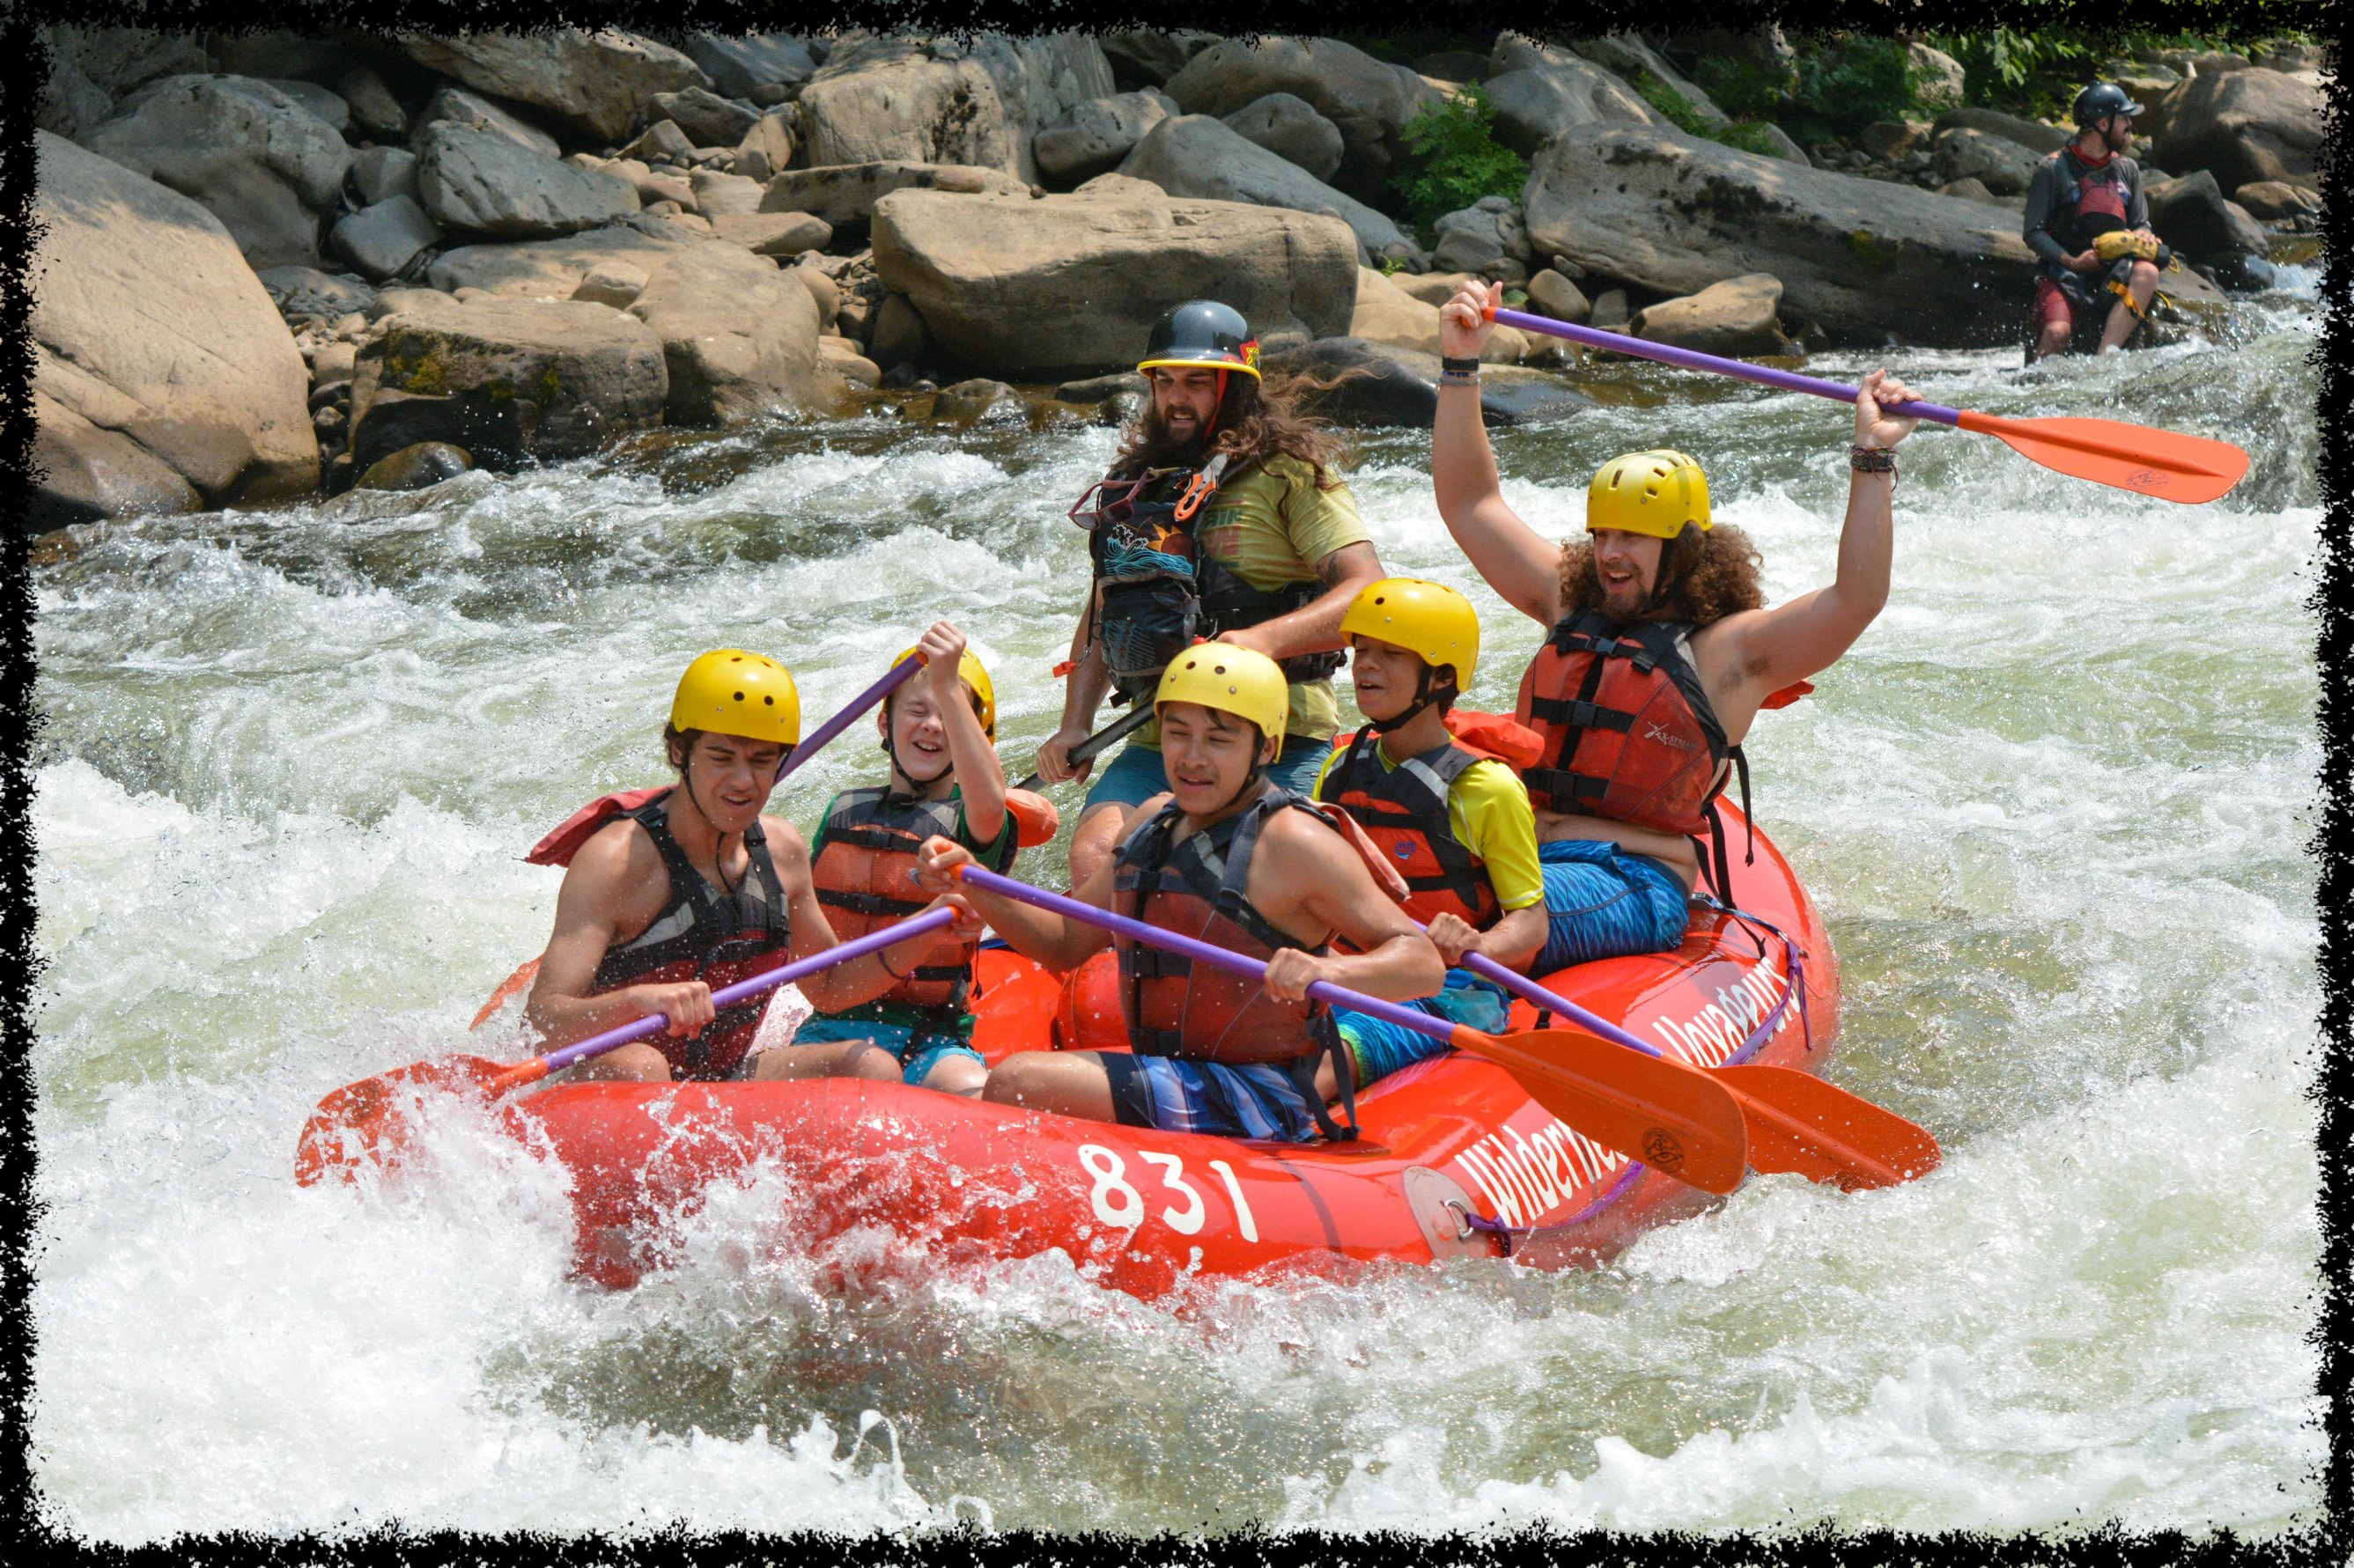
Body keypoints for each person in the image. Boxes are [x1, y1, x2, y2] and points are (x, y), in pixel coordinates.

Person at [1435, 280, 1927, 968]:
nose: (1610, 554)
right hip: (1523, 848)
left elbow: (1855, 599)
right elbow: (1470, 503)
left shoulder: (1731, 653)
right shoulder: (1566, 602)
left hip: (1630, 879)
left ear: (1685, 549)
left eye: (1633, 538)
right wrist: (1460, 365)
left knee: (1475, 911)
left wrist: (1872, 458)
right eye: (1602, 534)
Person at [917, 644, 1445, 1143]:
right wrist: (974, 880)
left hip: (1263, 1094)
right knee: (1007, 1084)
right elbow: (1065, 942)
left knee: (1020, 1080)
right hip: (1174, 1072)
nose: (1192, 757)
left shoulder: (1295, 842)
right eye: (1177, 733)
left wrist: (1331, 972)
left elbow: (1422, 961)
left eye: (1218, 740)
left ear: (1266, 748)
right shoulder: (1150, 823)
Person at [1033, 298, 1389, 889]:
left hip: (1279, 737)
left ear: (1236, 388)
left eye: (1197, 382)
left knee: (1249, 879)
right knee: (1097, 857)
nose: (1177, 397)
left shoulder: (1288, 474)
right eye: (1165, 381)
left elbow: (1369, 591)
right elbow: (1104, 607)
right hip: (1160, 737)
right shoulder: (1135, 487)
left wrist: (1259, 640)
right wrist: (1076, 723)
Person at [523, 650, 978, 1083]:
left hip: (718, 1084)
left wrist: (929, 927)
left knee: (871, 1067)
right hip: (608, 1078)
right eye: (723, 757)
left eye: (762, 761)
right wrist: (638, 1002)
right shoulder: (616, 860)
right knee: (642, 1065)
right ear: (679, 752)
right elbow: (542, 1019)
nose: (744, 781)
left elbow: (830, 988)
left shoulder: (781, 851)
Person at [1310, 578, 1550, 1099]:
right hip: (1354, 968)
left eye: (1391, 653)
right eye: (1363, 651)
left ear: (1441, 677)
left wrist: (1478, 944)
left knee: (1319, 1070)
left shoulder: (1486, 787)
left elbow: (1531, 920)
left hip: (1449, 988)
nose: (1366, 666)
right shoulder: (1339, 768)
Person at [755, 622, 1015, 1095]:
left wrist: (946, 683)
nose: (933, 724)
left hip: (933, 1038)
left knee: (972, 1089)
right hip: (834, 1028)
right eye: (917, 709)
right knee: (864, 1070)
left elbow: (991, 802)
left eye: (950, 715)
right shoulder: (843, 811)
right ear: (883, 724)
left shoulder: (975, 824)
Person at [2023, 82, 2168, 360]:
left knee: (2149, 272)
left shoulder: (2128, 169)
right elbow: (2033, 233)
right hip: (2063, 272)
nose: (2129, 125)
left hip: (2113, 274)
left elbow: (2141, 223)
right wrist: (2072, 261)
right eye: (2124, 118)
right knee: (2057, 333)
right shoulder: (2052, 169)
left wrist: (2144, 234)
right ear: (2103, 123)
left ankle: (2103, 359)